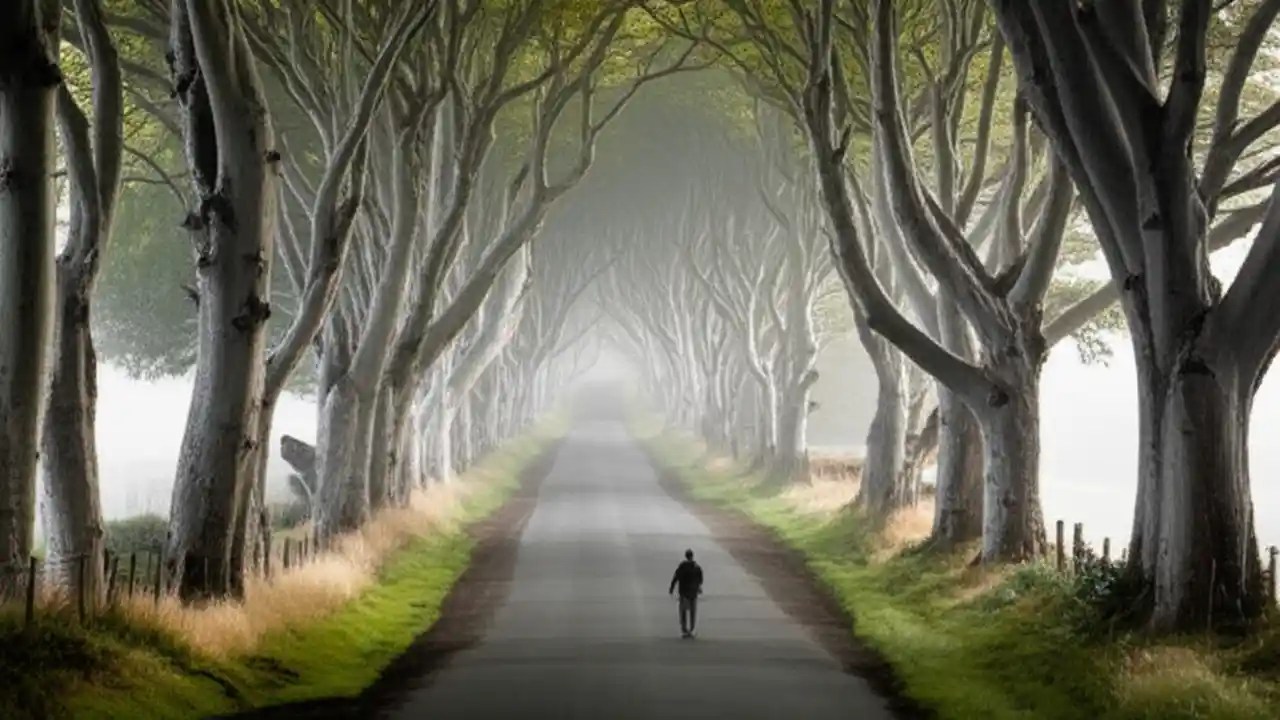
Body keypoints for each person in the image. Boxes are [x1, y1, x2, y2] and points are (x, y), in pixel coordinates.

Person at [668, 549, 703, 638]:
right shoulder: (697, 567)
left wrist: (671, 588)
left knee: (683, 611)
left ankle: (684, 629)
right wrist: (698, 587)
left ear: (685, 556)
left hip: (684, 592)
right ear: (692, 556)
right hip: (693, 593)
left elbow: (676, 577)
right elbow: (700, 579)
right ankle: (692, 629)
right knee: (692, 612)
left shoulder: (682, 567)